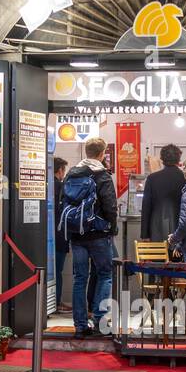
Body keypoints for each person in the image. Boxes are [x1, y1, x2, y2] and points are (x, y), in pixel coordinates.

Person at [59, 137, 118, 338]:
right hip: (99, 233)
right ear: (102, 154)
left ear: (86, 152)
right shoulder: (102, 175)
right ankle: (100, 321)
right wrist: (112, 228)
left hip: (77, 234)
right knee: (105, 274)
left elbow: (63, 202)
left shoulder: (71, 174)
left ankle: (80, 325)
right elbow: (110, 206)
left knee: (79, 278)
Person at [140, 143, 184, 241]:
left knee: (159, 256)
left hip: (156, 229)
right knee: (178, 256)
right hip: (180, 229)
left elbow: (146, 206)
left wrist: (144, 234)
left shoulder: (152, 178)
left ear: (162, 159)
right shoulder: (185, 178)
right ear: (179, 158)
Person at [53, 157, 70, 312]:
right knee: (57, 270)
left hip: (47, 236)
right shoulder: (62, 187)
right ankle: (56, 302)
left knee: (52, 270)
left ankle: (55, 302)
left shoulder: (45, 186)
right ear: (60, 170)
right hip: (59, 235)